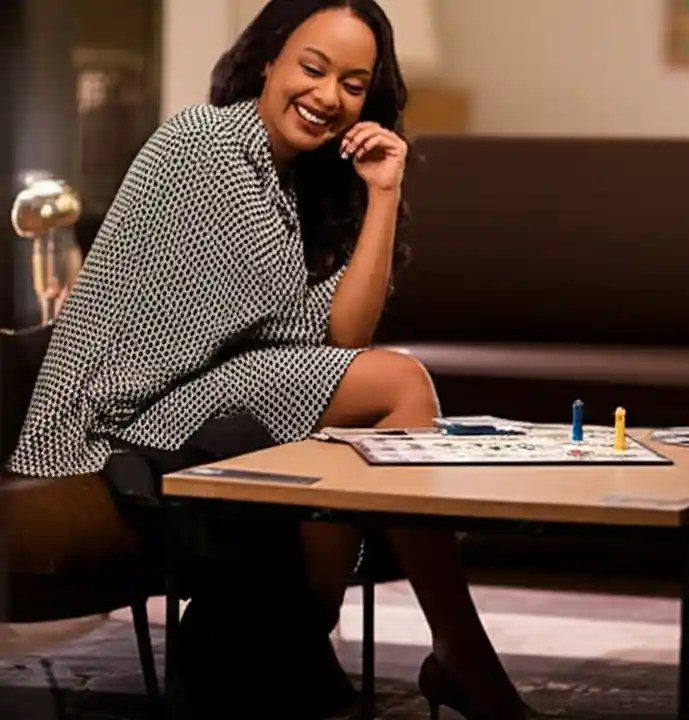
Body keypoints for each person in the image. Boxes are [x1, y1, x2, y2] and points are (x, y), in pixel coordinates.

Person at [4, 1, 536, 717]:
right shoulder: (205, 143)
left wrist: (385, 192)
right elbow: (304, 338)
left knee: (384, 390)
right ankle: (448, 657)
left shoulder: (288, 183)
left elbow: (335, 336)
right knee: (395, 384)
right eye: (312, 69)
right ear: (268, 62)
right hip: (110, 421)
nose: (327, 97)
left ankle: (325, 655)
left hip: (189, 394)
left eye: (352, 83)